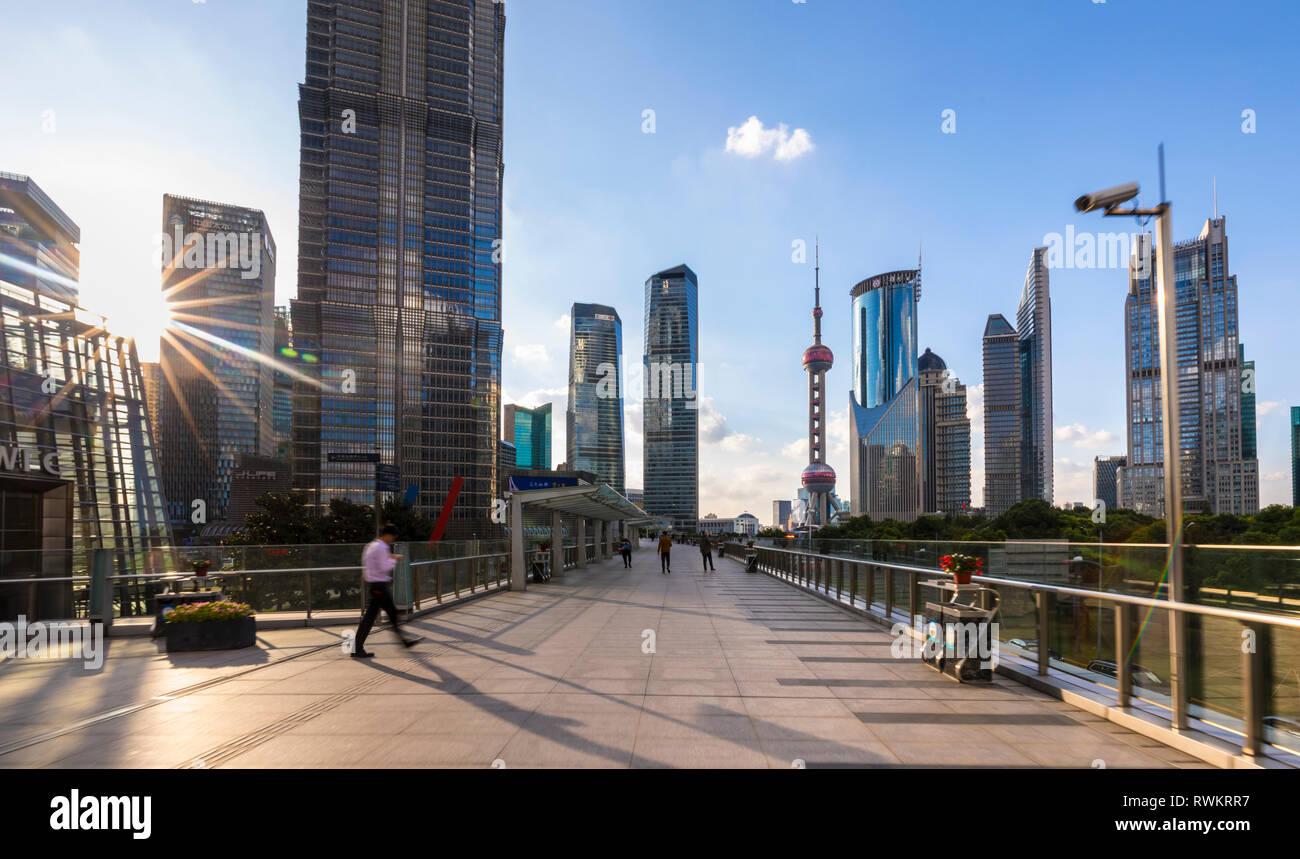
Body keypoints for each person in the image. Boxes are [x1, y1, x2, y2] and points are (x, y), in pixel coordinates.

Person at [351, 524, 419, 658]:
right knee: (371, 618)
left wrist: (389, 557)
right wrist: (394, 559)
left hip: (374, 585)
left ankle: (404, 641)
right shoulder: (382, 547)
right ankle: (356, 649)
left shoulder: (371, 545)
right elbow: (384, 567)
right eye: (392, 536)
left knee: (388, 615)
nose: (392, 539)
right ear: (387, 535)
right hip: (380, 586)